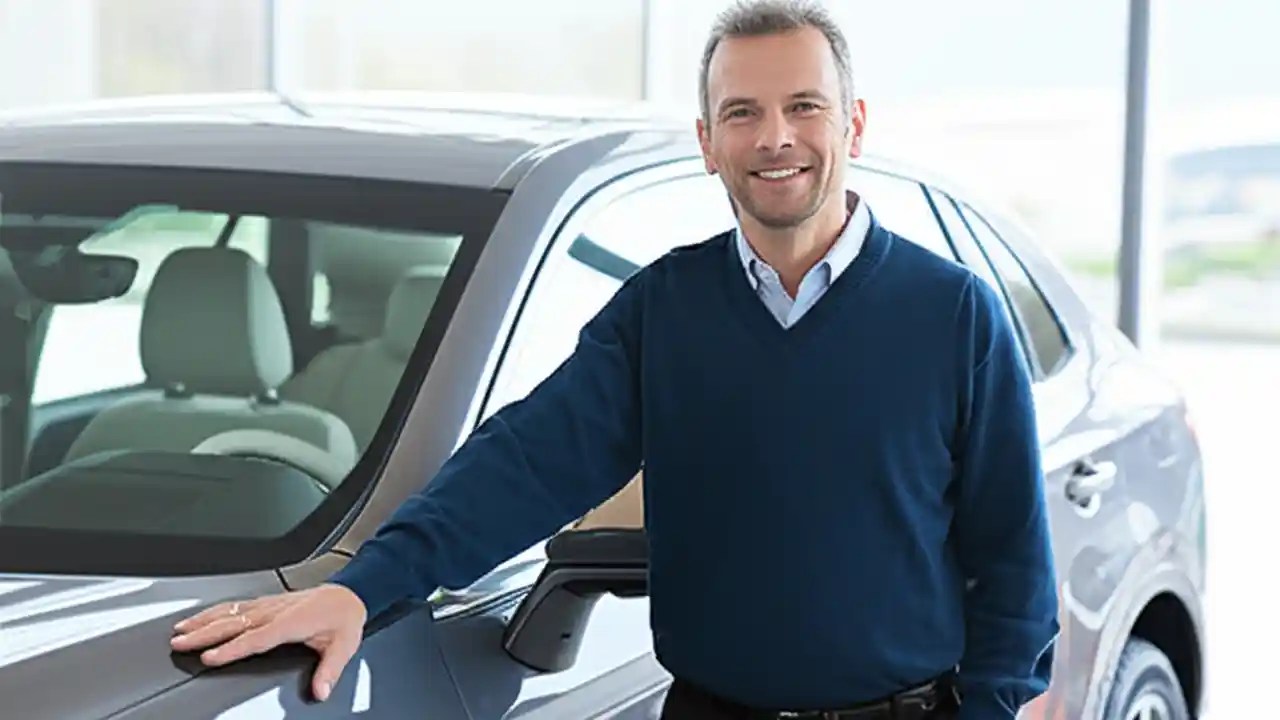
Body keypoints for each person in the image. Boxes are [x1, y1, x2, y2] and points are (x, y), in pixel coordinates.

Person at [169, 1, 1060, 717]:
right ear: (709, 143)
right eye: (741, 112)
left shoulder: (952, 315)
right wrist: (361, 592)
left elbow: (1014, 567)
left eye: (804, 107)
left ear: (853, 125)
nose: (774, 136)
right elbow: (522, 465)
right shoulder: (663, 311)